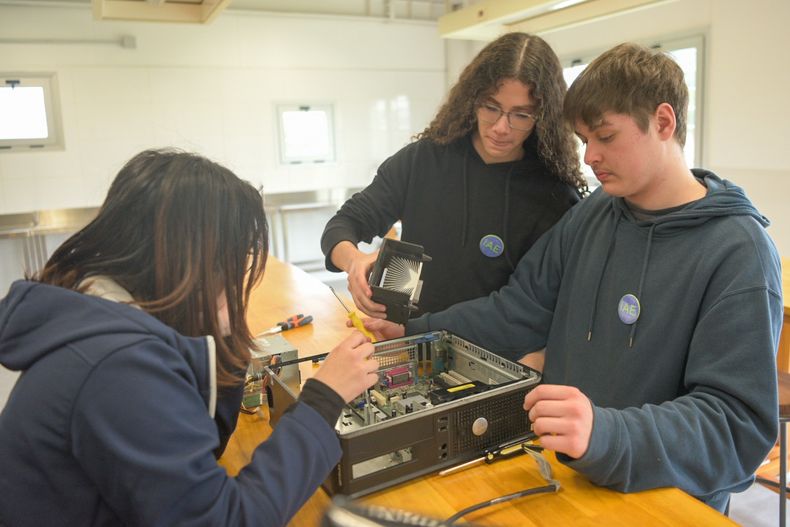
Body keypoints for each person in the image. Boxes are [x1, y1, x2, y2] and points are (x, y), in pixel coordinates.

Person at [362, 43, 784, 512]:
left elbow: (735, 426)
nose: (590, 157)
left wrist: (606, 433)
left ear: (664, 123)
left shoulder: (738, 252)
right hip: (567, 478)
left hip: (665, 503)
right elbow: (518, 310)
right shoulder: (596, 213)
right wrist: (414, 333)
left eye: (605, 137)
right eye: (584, 139)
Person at [0, 149, 380, 526]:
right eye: (235, 258)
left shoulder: (100, 318)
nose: (238, 276)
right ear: (192, 258)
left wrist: (222, 338)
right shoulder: (117, 366)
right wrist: (324, 398)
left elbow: (201, 444)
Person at [321, 32, 586, 320]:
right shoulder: (423, 160)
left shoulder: (554, 197)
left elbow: (536, 307)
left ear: (543, 118)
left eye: (521, 115)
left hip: (490, 354)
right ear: (472, 101)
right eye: (491, 107)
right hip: (403, 338)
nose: (501, 127)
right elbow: (342, 225)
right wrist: (354, 262)